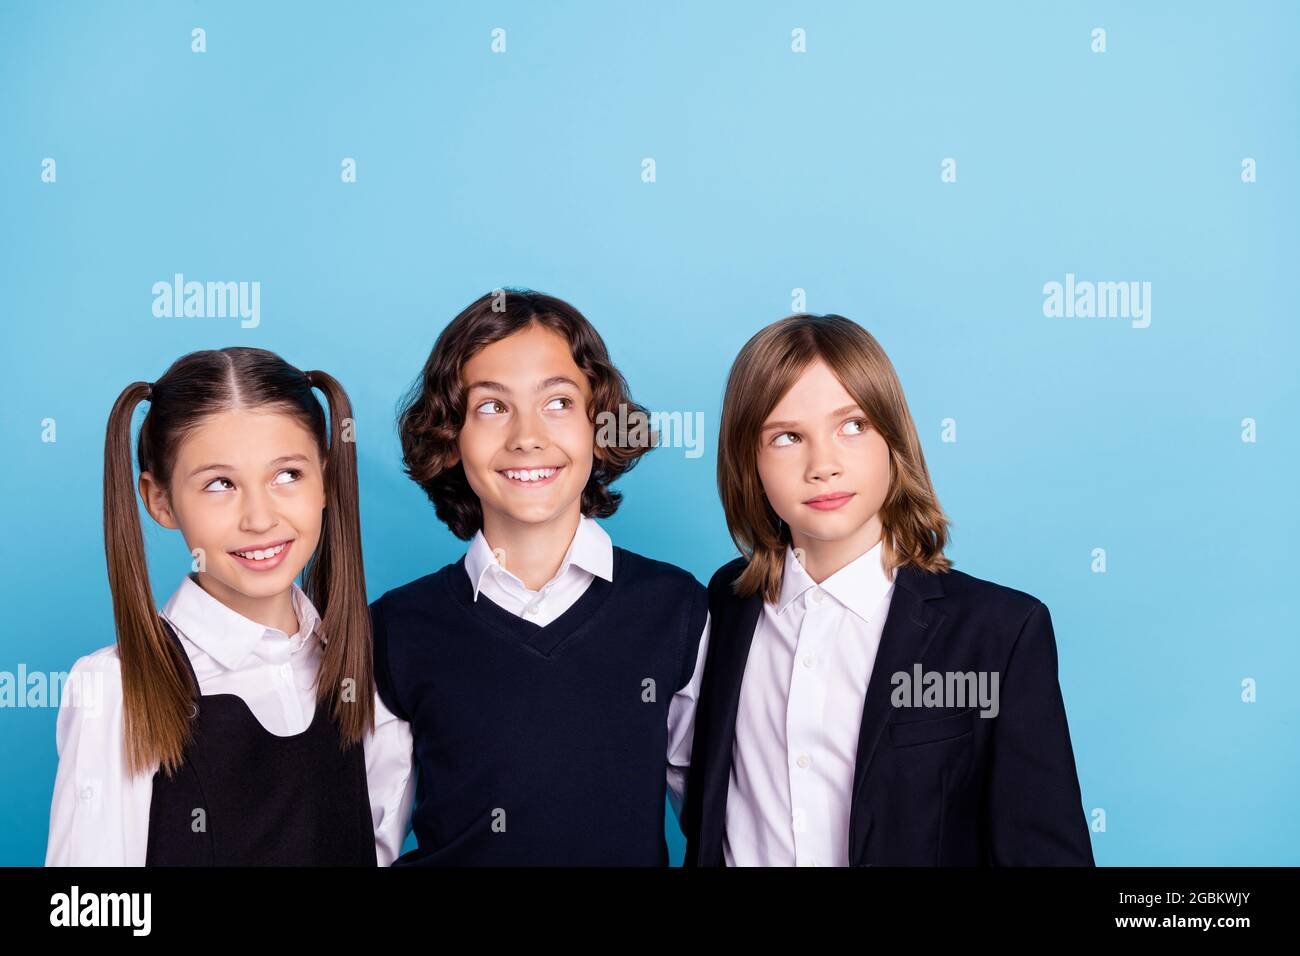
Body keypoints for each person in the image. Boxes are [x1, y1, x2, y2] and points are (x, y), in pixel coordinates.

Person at [682, 314, 1093, 866]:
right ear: (748, 462)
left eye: (852, 426)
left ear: (892, 440)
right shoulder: (724, 605)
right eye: (786, 437)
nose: (823, 465)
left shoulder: (997, 633)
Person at [371, 289, 710, 864]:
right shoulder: (395, 629)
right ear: (451, 436)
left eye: (557, 403)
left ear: (599, 424)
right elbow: (369, 837)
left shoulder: (675, 610)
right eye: (492, 406)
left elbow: (718, 825)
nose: (527, 435)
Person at [46, 347, 414, 866]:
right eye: (220, 484)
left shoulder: (363, 672)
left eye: (287, 474)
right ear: (160, 501)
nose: (260, 518)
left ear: (326, 480)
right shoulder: (117, 690)